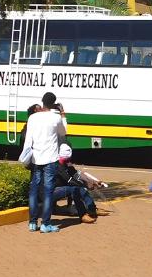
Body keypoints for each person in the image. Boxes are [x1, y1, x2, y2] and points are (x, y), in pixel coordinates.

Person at [22, 91, 67, 233]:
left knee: (33, 191)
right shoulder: (56, 118)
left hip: (36, 158)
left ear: (42, 101)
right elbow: (63, 132)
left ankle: (32, 223)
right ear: (53, 103)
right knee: (48, 191)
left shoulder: (33, 118)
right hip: (50, 159)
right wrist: (63, 114)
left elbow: (29, 139)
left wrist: (26, 156)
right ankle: (46, 223)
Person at [52, 144, 109, 223]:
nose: (69, 160)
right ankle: (83, 215)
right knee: (77, 189)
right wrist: (86, 185)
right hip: (51, 192)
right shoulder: (57, 165)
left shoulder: (67, 163)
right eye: (68, 158)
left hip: (62, 188)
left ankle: (92, 209)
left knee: (77, 187)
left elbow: (76, 174)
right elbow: (70, 180)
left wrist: (92, 181)